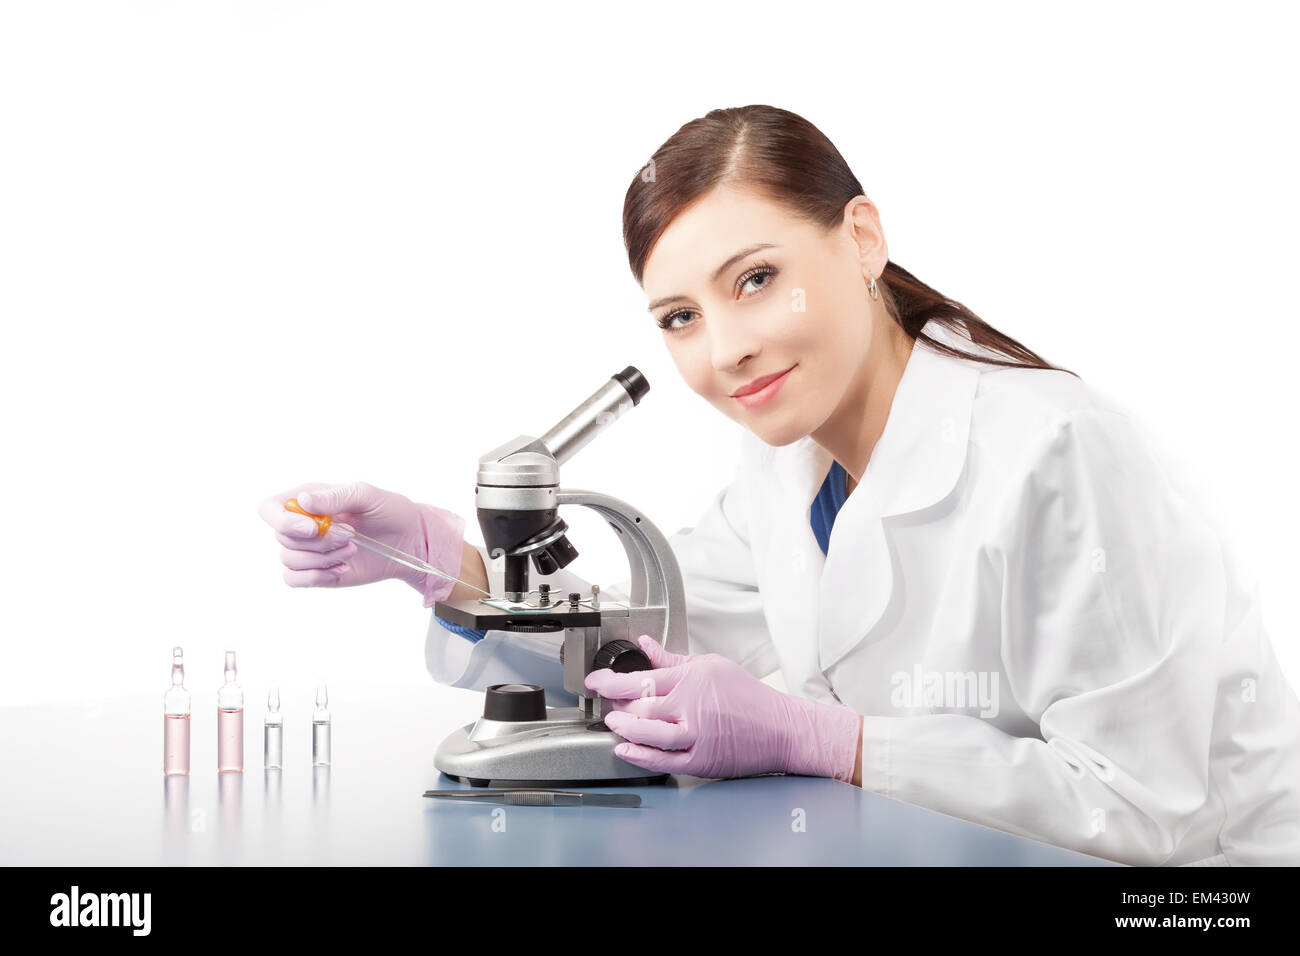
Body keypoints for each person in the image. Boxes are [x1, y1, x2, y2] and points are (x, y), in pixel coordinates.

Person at [260, 104, 1300, 866]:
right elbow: (665, 642)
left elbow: (1143, 809)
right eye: (679, 318)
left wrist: (820, 737)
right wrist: (446, 563)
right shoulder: (786, 462)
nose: (727, 350)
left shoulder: (1059, 452)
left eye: (755, 279)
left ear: (860, 240)